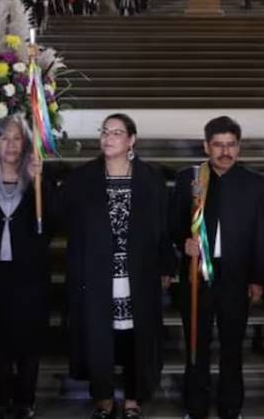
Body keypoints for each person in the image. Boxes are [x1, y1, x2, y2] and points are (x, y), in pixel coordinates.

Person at [65, 114, 175, 419]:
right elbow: (63, 219)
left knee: (133, 337)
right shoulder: (83, 177)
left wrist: (167, 264)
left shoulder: (151, 178)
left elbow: (163, 227)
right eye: (105, 132)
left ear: (131, 140)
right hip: (96, 271)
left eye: (116, 133)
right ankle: (102, 398)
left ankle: (132, 398)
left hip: (139, 271)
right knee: (100, 336)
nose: (108, 138)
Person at [170, 116, 264, 419]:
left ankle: (230, 408)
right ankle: (195, 408)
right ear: (206, 146)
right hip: (195, 277)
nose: (225, 151)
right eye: (218, 145)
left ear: (238, 147)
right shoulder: (190, 178)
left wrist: (257, 278)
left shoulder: (254, 183)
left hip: (236, 278)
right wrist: (182, 243)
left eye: (230, 145)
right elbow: (172, 226)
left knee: (231, 348)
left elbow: (261, 234)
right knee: (196, 348)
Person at [0, 116, 51, 419]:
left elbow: (51, 223)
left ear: (26, 143)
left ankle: (25, 400)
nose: (11, 145)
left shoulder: (41, 175)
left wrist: (38, 183)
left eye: (17, 139)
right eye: (4, 138)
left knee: (28, 339)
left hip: (28, 272)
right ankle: (2, 398)